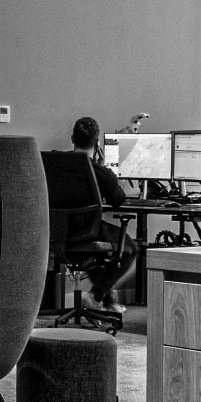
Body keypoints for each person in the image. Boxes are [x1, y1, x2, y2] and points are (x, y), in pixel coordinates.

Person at [71, 116, 138, 311]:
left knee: (94, 255)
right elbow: (118, 200)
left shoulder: (55, 164)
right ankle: (97, 295)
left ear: (72, 139)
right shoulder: (101, 173)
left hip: (59, 233)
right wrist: (103, 169)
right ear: (97, 143)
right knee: (130, 249)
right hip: (89, 231)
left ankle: (106, 300)